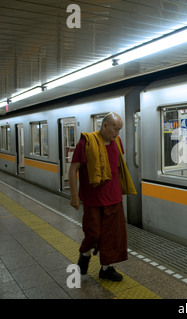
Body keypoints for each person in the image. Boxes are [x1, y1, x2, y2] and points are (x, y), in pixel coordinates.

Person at [69, 112, 136, 281]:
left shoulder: (117, 143)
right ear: (104, 125)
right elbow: (73, 169)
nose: (117, 133)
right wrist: (74, 196)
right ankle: (84, 254)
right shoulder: (86, 143)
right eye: (115, 128)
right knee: (94, 233)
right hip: (93, 200)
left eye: (119, 130)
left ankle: (106, 269)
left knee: (113, 237)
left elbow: (116, 168)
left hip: (114, 199)